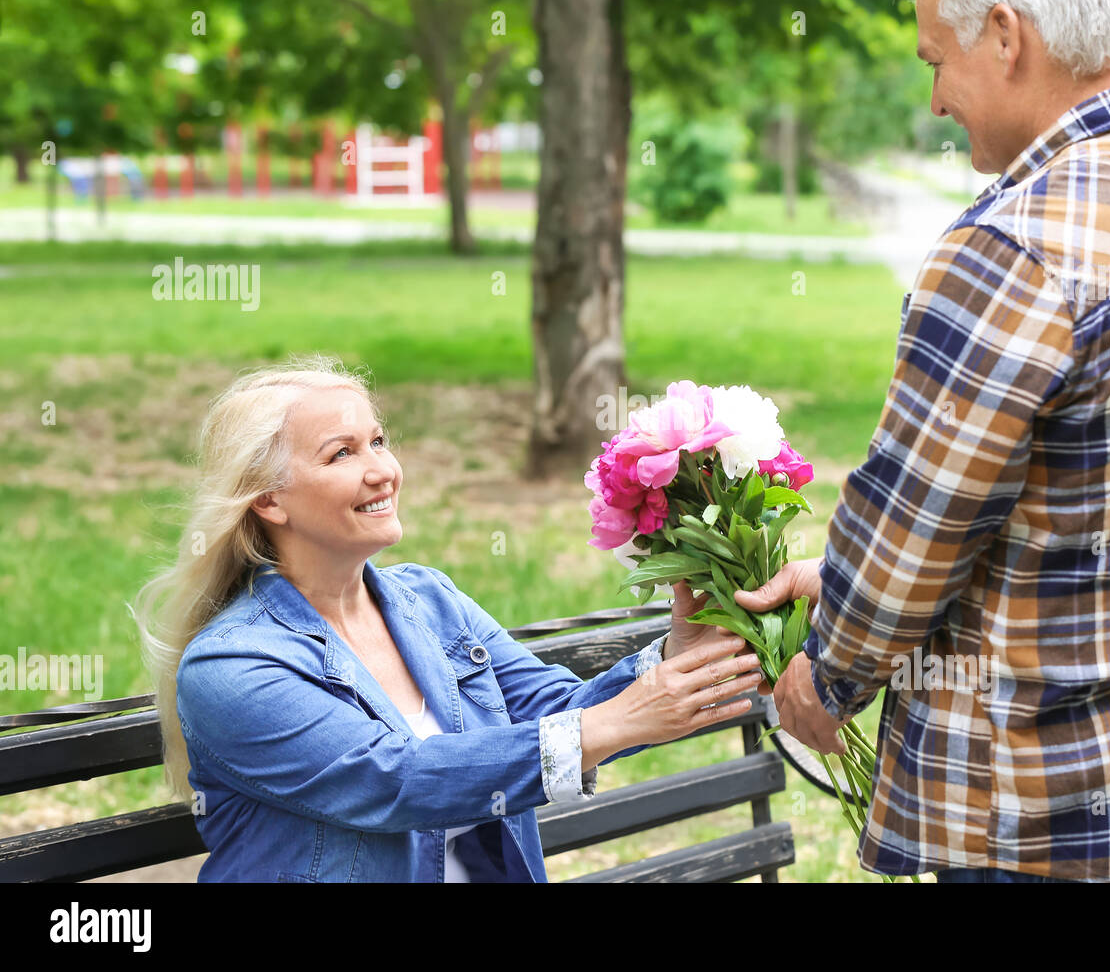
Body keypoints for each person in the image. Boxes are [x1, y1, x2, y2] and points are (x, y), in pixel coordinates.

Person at [736, 0, 1110, 883]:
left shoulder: (1013, 244)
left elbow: (916, 524)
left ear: (1005, 36)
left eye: (934, 62)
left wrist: (828, 679)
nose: (934, 103)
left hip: (1062, 823)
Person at [132, 356, 760, 882]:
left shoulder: (430, 601)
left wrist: (678, 657)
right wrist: (613, 720)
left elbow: (557, 709)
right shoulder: (232, 664)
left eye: (378, 441)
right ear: (268, 499)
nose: (383, 470)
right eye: (341, 454)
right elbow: (395, 782)